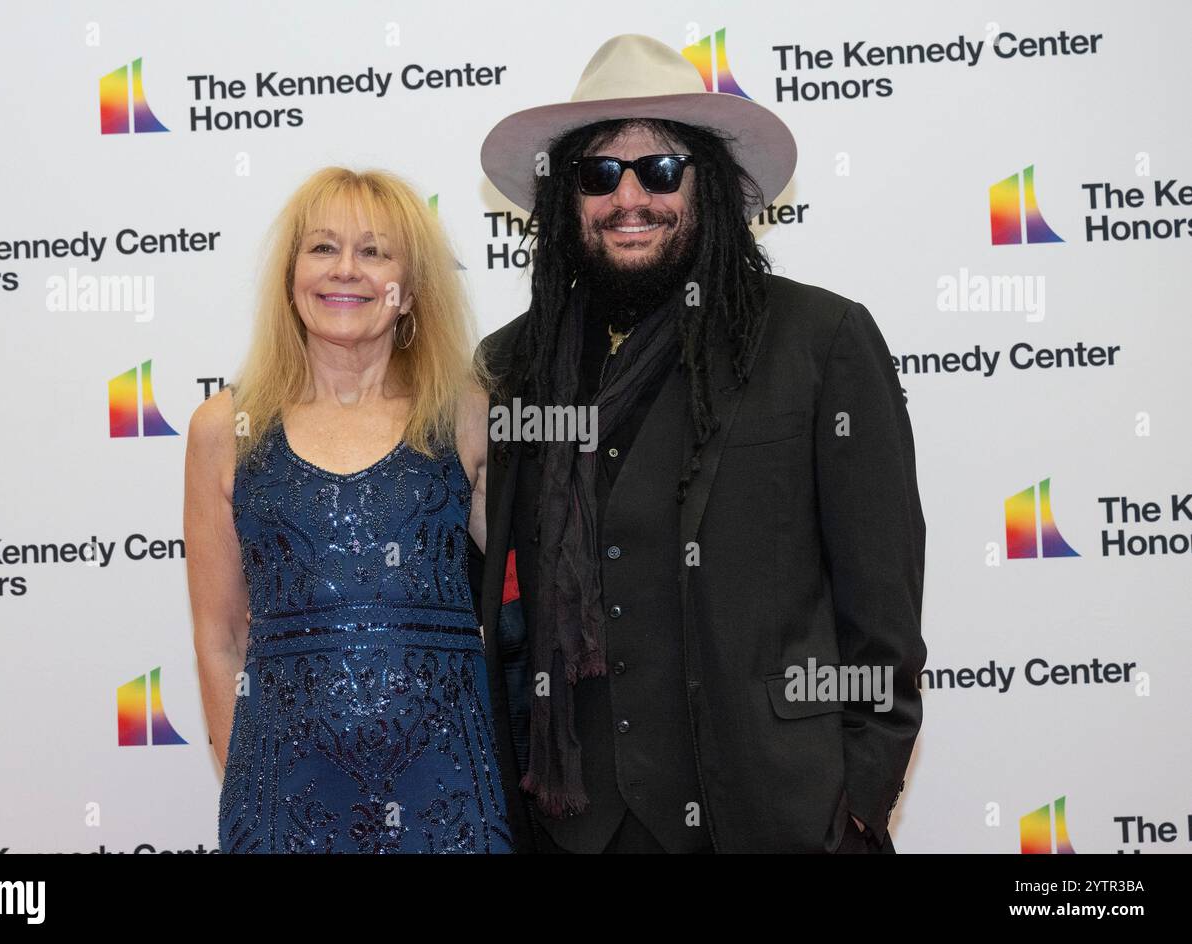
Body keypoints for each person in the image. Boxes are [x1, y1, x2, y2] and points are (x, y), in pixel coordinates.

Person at [474, 34, 927, 853]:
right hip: (578, 824)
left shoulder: (817, 340)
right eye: (599, 173)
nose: (629, 197)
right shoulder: (514, 366)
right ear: (566, 200)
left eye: (661, 169)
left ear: (708, 185)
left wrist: (861, 794)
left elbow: (882, 603)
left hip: (772, 808)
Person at [184, 166, 513, 853]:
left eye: (374, 252)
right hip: (285, 801)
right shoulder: (225, 428)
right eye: (323, 247)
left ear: (411, 287)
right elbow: (219, 639)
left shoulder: (468, 416)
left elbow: (527, 597)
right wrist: (246, 782)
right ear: (290, 275)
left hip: (451, 794)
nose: (346, 271)